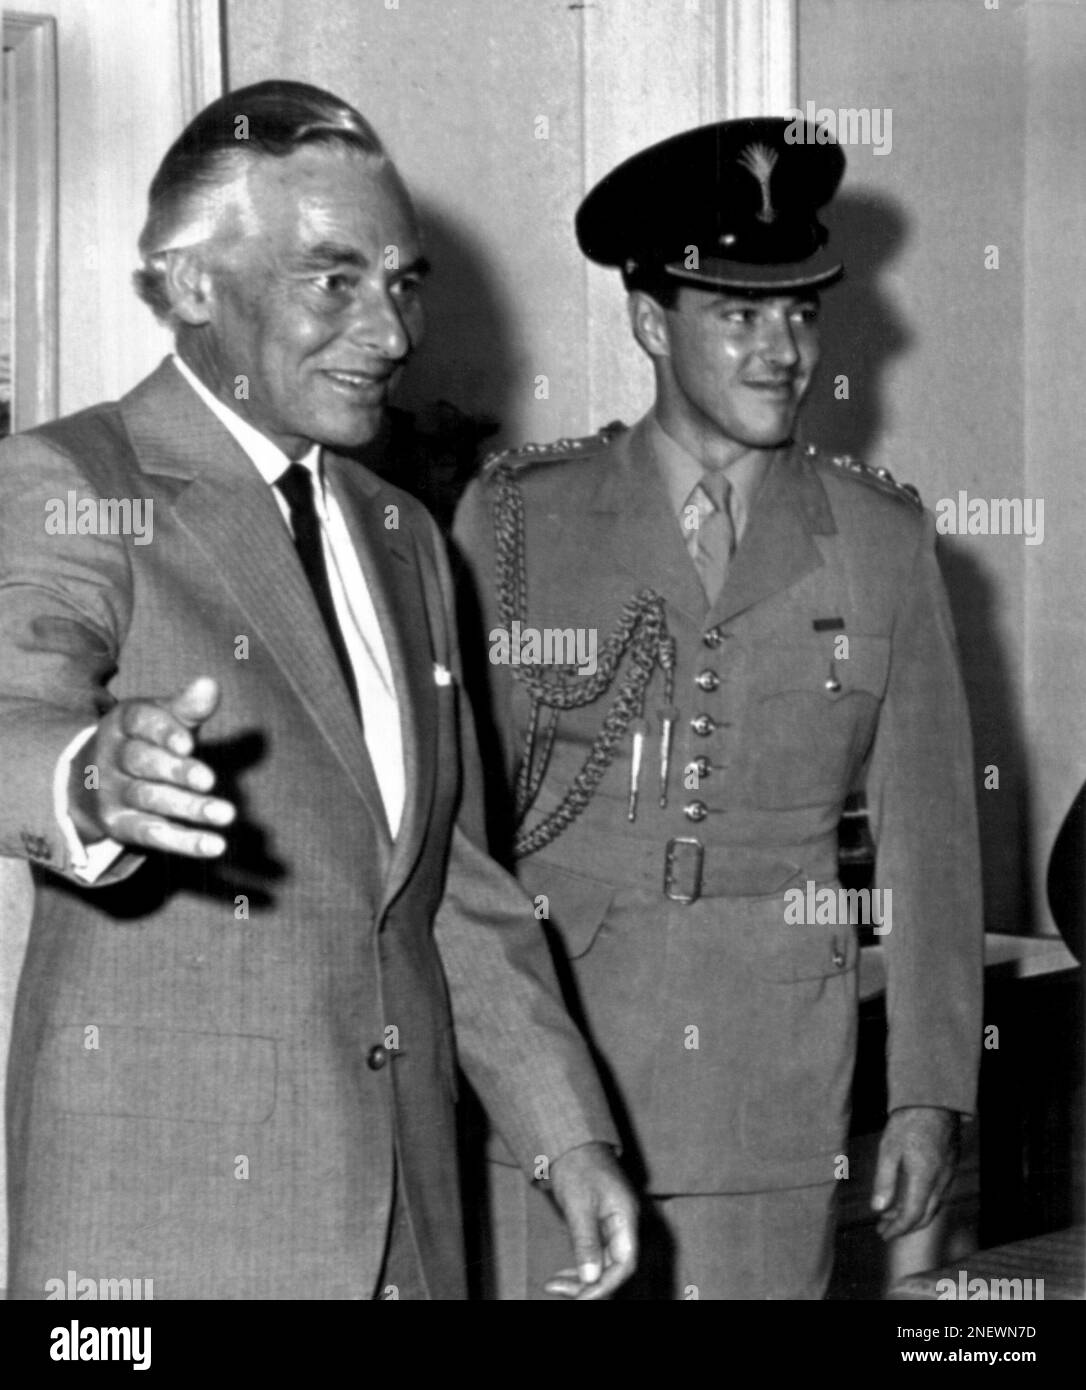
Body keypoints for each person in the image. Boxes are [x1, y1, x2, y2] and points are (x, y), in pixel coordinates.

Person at [0, 80, 637, 1301]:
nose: (391, 333)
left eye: (401, 283)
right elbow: (11, 705)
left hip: (406, 1225)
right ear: (191, 285)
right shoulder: (69, 478)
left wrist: (571, 1135)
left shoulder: (402, 534)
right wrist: (91, 776)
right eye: (331, 280)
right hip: (170, 1242)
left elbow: (447, 885)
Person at [453, 117, 983, 1299]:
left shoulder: (881, 547)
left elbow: (932, 845)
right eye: (739, 314)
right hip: (554, 1077)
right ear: (652, 322)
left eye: (799, 313)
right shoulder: (520, 524)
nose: (782, 349)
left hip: (772, 1098)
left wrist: (930, 1092)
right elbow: (457, 846)